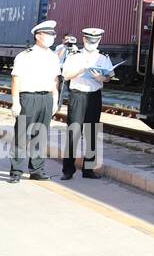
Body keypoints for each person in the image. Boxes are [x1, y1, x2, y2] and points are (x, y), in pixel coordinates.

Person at [9, 20, 60, 183]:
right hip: (28, 97)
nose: (53, 37)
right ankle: (16, 170)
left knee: (41, 135)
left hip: (46, 98)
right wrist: (15, 102)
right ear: (38, 36)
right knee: (22, 135)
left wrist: (55, 99)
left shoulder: (53, 57)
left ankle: (36, 170)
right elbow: (16, 79)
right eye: (49, 34)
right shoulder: (24, 56)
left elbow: (55, 80)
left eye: (53, 34)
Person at [59, 28, 114, 180]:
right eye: (90, 40)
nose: (92, 43)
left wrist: (102, 79)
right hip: (77, 94)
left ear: (99, 40)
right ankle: (68, 170)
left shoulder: (103, 56)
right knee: (73, 132)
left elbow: (109, 76)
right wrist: (80, 70)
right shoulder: (75, 56)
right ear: (83, 39)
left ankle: (88, 169)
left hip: (94, 95)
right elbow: (65, 75)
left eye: (95, 41)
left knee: (91, 133)